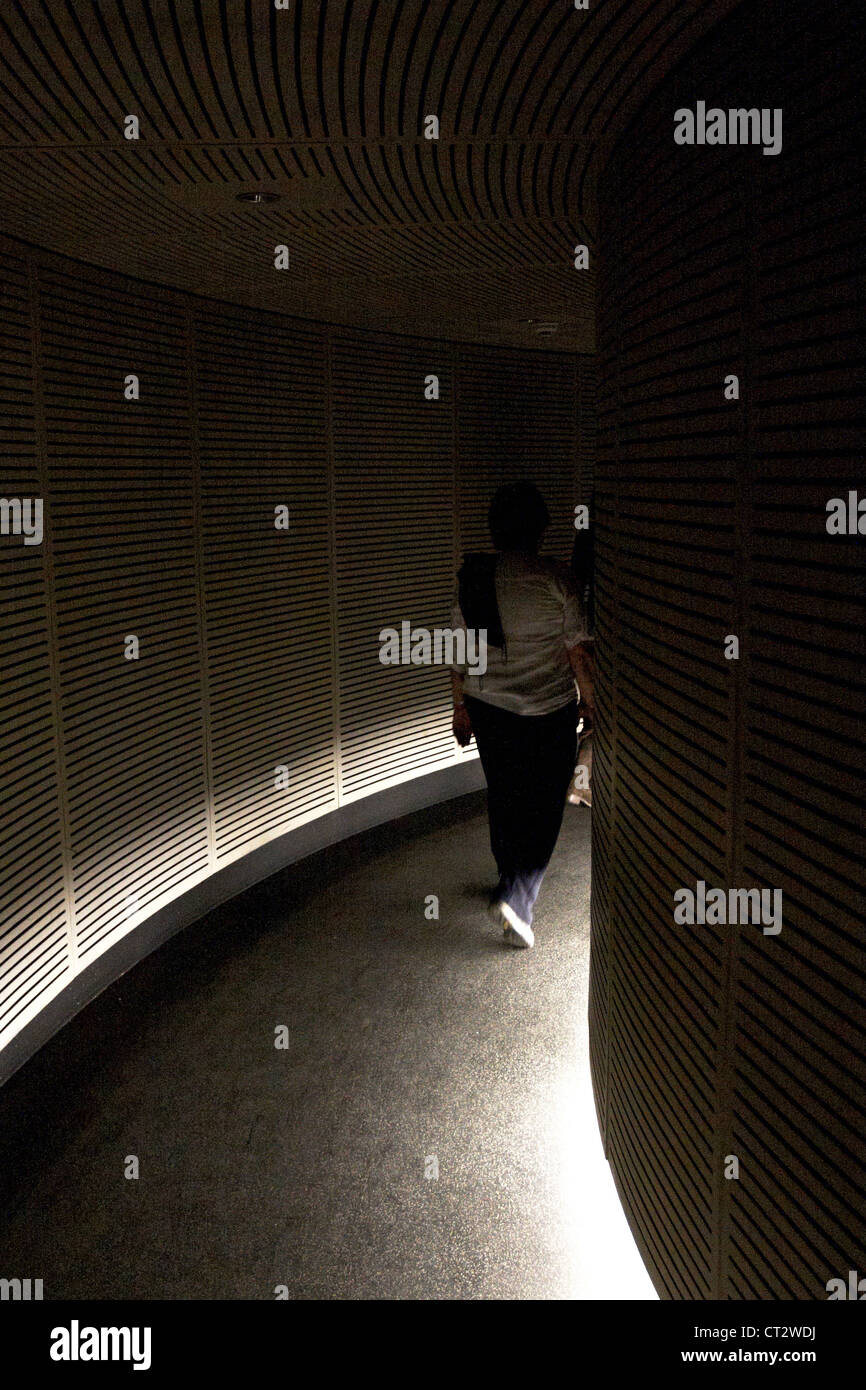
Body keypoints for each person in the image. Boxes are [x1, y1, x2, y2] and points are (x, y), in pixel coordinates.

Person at [449, 482, 595, 949]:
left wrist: (459, 707)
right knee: (545, 807)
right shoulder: (558, 580)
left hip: (489, 709)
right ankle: (517, 897)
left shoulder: (475, 576)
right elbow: (578, 655)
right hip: (547, 713)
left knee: (506, 796)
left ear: (495, 529)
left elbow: (458, 652)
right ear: (540, 528)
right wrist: (593, 704)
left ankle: (506, 880)